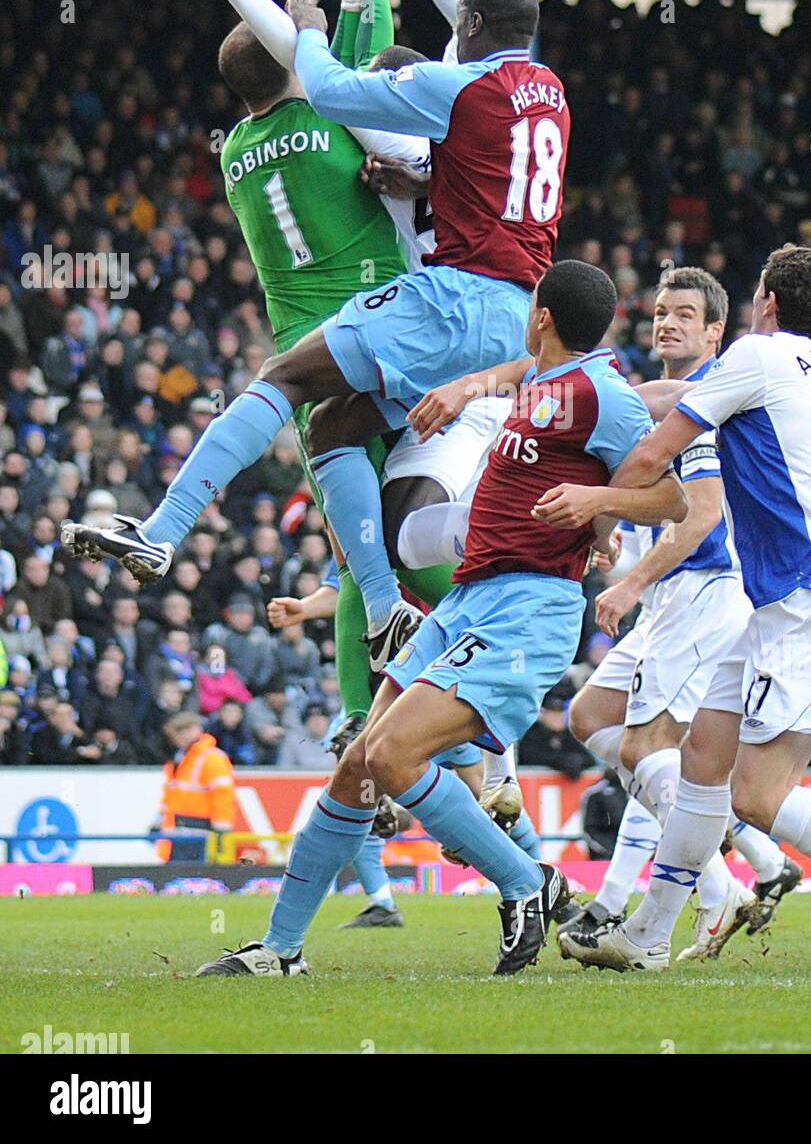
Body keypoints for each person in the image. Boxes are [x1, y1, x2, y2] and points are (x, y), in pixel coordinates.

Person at [62, 0, 559, 685]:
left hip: (445, 309)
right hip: (510, 324)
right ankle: (421, 624)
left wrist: (295, 22)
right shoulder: (543, 88)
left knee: (288, 381)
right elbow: (486, 22)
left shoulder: (403, 120)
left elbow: (324, 84)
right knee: (346, 441)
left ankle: (165, 531)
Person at [195, 261, 686, 980]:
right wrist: (473, 389)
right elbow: (528, 394)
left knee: (393, 757)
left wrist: (593, 507)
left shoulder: (602, 395)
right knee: (360, 763)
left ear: (540, 315)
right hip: (465, 599)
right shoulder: (539, 377)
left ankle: (526, 881)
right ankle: (281, 949)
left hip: (526, 610)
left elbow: (672, 499)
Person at [556, 246, 811, 975]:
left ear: (767, 303)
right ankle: (650, 933)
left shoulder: (762, 355)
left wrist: (597, 507)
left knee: (757, 796)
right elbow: (660, 402)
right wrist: (573, 393)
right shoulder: (800, 366)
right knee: (701, 757)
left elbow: (657, 446)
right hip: (789, 599)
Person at [561, 266, 799, 953]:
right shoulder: (678, 398)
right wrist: (605, 535)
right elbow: (642, 430)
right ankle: (751, 858)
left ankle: (717, 888)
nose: (665, 322)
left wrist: (628, 583)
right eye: (660, 311)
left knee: (648, 749)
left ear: (715, 331)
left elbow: (698, 519)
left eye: (684, 315)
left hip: (707, 587)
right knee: (592, 718)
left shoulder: (717, 395)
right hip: (672, 592)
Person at [155, 711, 236, 860]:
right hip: (179, 829)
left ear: (193, 730)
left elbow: (222, 796)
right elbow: (171, 795)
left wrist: (221, 832)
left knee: (195, 879)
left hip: (200, 830)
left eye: (180, 733)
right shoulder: (182, 758)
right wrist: (159, 821)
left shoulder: (212, 758)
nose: (175, 739)